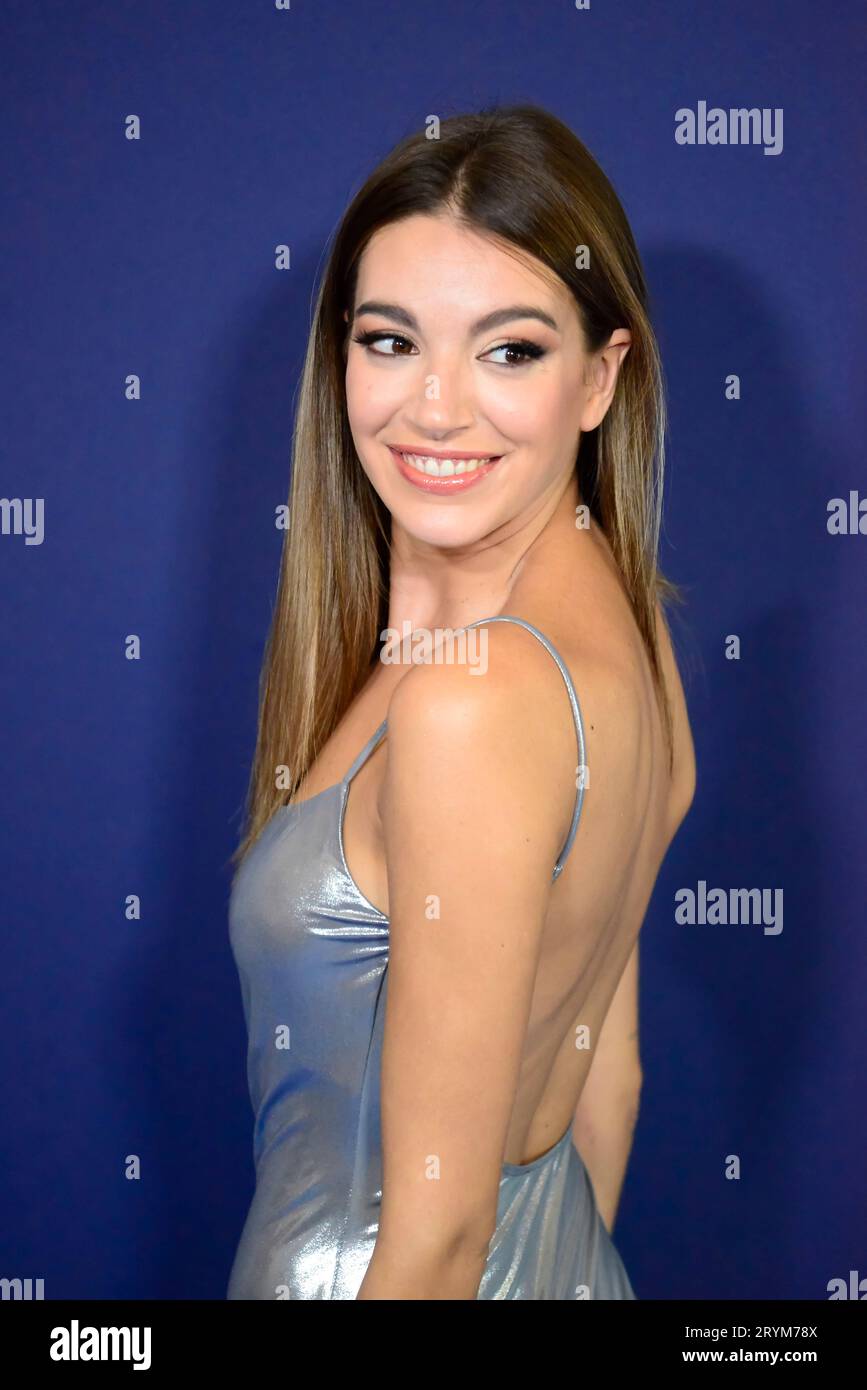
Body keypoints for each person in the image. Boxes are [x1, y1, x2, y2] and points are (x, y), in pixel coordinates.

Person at [225, 104, 696, 1301]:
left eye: (509, 350)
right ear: (339, 356)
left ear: (601, 377)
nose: (434, 408)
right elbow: (609, 1077)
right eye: (390, 341)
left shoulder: (473, 703)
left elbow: (435, 1246)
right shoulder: (629, 634)